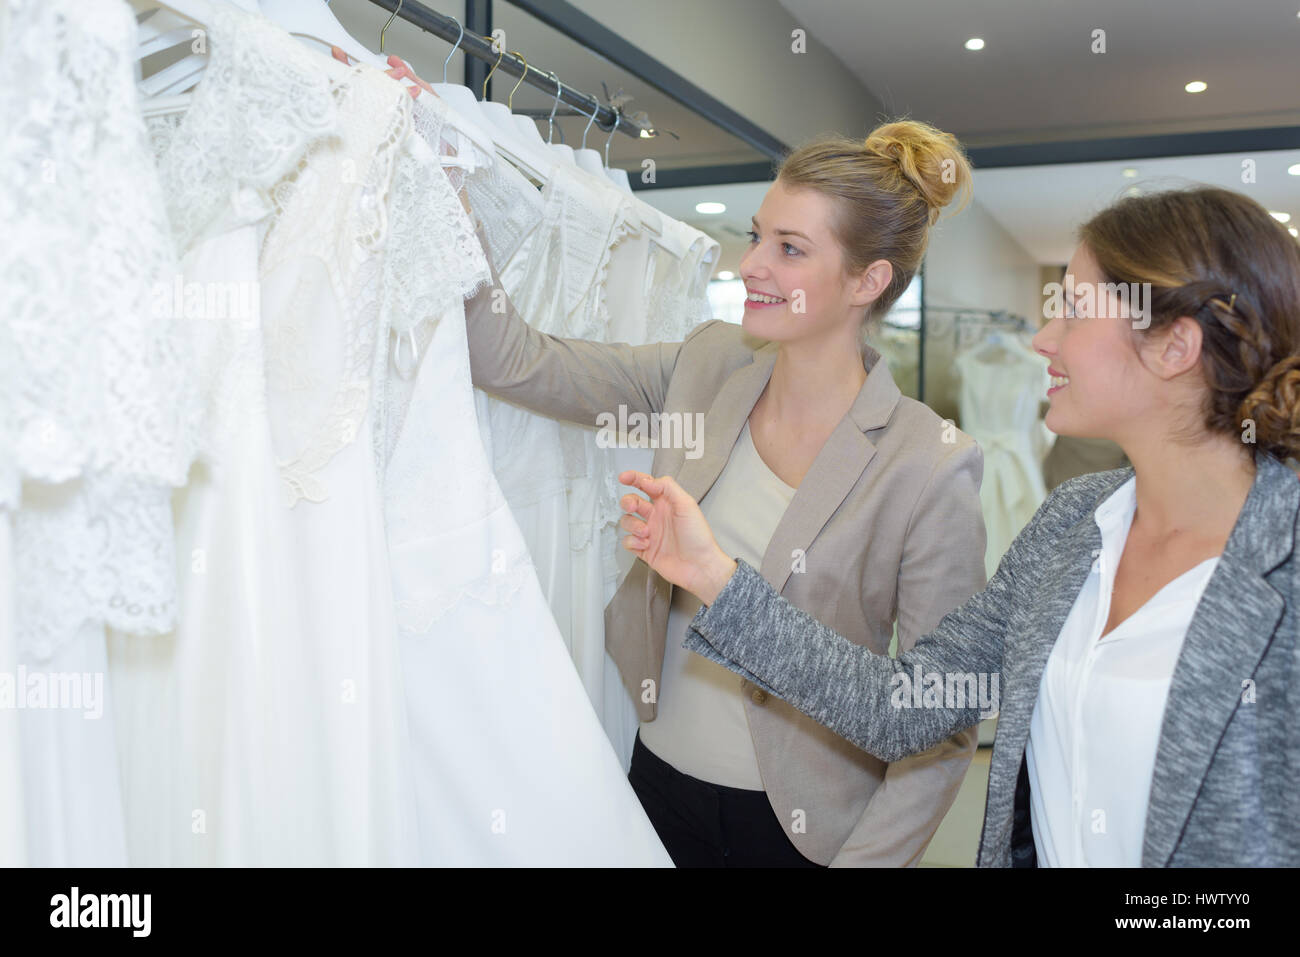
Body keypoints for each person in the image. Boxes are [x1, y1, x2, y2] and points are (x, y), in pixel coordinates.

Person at [618, 185, 1300, 866]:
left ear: (1175, 346)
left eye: (1073, 309)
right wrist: (714, 576)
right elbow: (905, 707)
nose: (1043, 338)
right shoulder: (1071, 524)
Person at [453, 116, 992, 866]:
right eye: (757, 236)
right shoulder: (710, 364)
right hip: (655, 784)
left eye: (790, 249)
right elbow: (517, 363)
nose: (752, 264)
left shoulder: (928, 463)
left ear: (867, 281)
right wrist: (452, 200)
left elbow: (943, 723)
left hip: (798, 831)